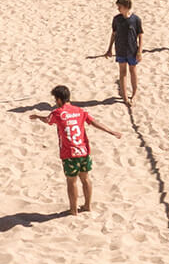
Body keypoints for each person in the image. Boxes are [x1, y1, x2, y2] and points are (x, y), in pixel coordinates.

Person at [31, 85, 122, 214]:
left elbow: (47, 120)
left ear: (58, 99)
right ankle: (87, 206)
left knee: (71, 181)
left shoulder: (57, 113)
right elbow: (95, 122)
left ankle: (73, 210)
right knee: (85, 179)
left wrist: (37, 116)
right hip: (84, 151)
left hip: (69, 153)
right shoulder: (80, 111)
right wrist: (111, 131)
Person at [106, 0, 143, 104]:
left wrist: (140, 51)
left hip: (132, 50)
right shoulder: (117, 19)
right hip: (120, 50)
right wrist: (109, 49)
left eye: (120, 7)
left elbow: (140, 35)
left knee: (133, 71)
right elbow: (113, 34)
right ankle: (125, 97)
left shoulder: (136, 20)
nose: (118, 9)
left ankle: (134, 94)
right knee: (122, 72)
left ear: (126, 7)